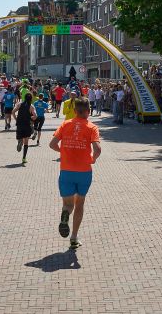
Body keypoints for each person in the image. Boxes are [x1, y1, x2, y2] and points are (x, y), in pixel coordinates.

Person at [49, 97, 100, 250]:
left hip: (66, 170)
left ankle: (65, 215)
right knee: (80, 203)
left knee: (68, 204)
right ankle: (74, 237)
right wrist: (93, 159)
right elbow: (98, 149)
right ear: (88, 111)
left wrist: (63, 152)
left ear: (75, 110)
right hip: (84, 171)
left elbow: (52, 144)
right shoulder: (92, 127)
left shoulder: (65, 124)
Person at [13, 93, 36, 165]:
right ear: (31, 99)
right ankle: (24, 158)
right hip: (27, 125)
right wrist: (31, 118)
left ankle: (20, 141)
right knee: (26, 141)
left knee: (20, 136)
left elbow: (13, 112)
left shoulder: (19, 104)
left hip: (19, 124)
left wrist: (16, 119)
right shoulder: (31, 106)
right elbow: (35, 116)